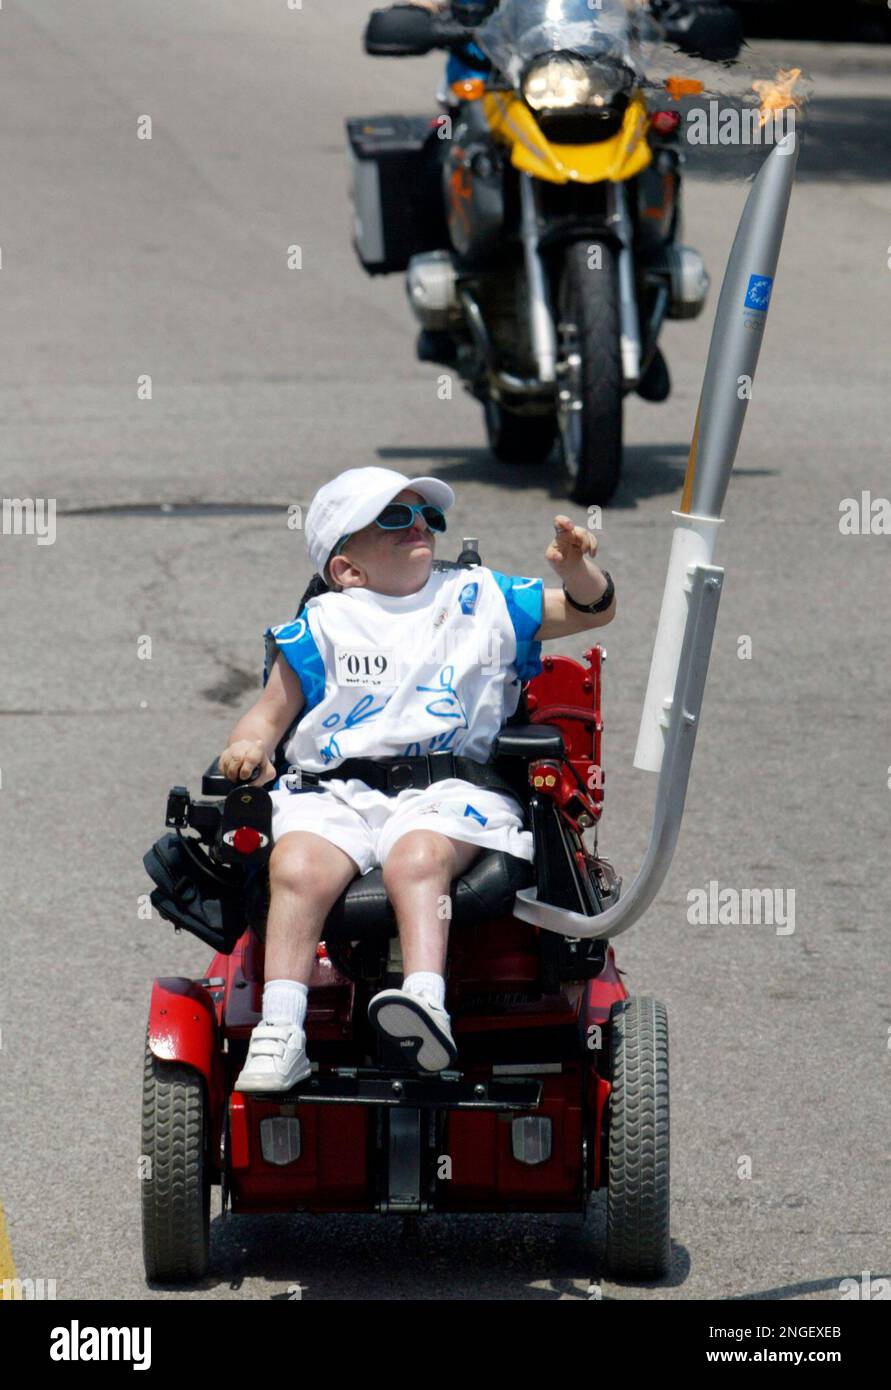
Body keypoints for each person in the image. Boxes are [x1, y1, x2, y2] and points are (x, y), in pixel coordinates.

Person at [220, 466, 615, 1090]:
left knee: (417, 856)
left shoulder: (480, 598)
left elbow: (593, 611)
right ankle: (282, 1031)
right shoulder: (322, 625)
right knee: (296, 867)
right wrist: (248, 746)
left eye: (427, 516)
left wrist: (577, 570)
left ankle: (425, 1008)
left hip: (448, 790)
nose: (421, 527)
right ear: (347, 567)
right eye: (395, 519)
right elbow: (269, 714)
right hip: (336, 793)